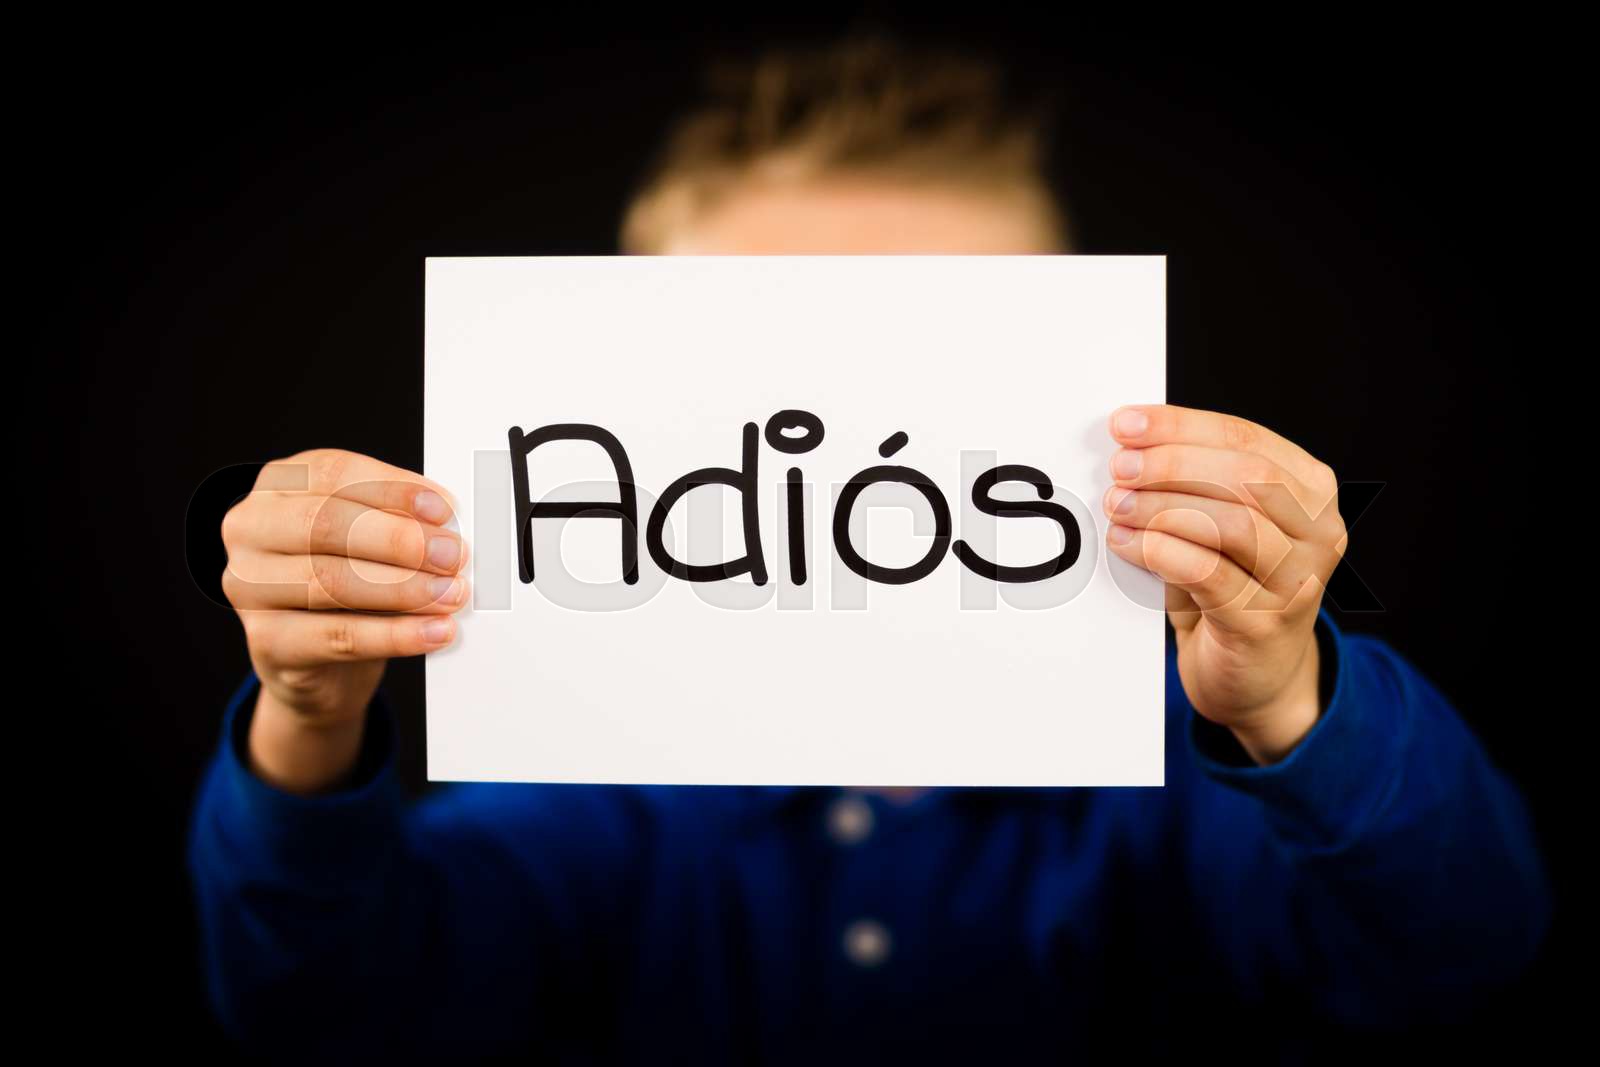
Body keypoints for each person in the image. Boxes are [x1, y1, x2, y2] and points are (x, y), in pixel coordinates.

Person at [187, 34, 1551, 1062]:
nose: (850, 432)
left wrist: (1292, 702)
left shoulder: (1177, 779)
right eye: (768, 362)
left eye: (948, 356)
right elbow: (329, 1009)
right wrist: (310, 721)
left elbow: (1460, 958)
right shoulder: (590, 797)